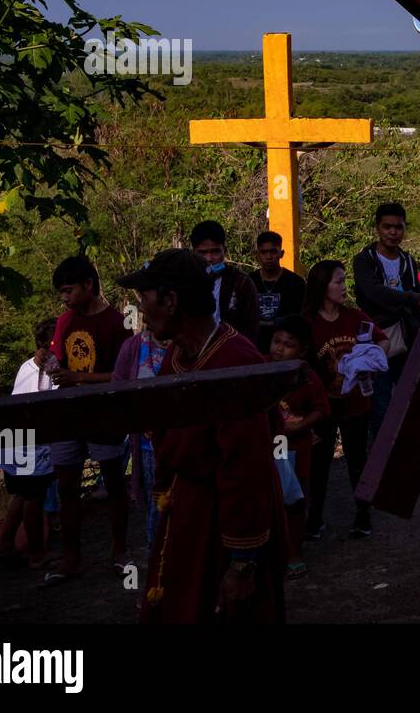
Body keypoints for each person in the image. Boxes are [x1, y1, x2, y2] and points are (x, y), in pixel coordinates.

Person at [116, 249, 286, 623]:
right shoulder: (177, 354)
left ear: (172, 301)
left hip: (226, 521)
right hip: (186, 511)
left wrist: (242, 565)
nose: (141, 310)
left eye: (145, 300)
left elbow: (248, 471)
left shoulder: (235, 362)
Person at [45, 255, 132, 586]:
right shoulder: (64, 322)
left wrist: (79, 379)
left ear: (89, 285)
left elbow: (123, 376)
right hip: (67, 415)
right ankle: (71, 559)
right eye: (62, 293)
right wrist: (49, 364)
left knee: (112, 484)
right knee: (66, 487)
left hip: (104, 414)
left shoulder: (118, 323)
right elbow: (58, 363)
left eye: (69, 290)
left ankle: (121, 552)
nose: (65, 298)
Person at [305, 260, 387, 539]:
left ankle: (363, 515)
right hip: (321, 409)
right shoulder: (307, 323)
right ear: (321, 286)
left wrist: (370, 358)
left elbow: (383, 340)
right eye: (338, 281)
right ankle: (314, 518)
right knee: (318, 464)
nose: (344, 287)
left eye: (344, 281)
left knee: (357, 460)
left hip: (355, 405)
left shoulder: (355, 317)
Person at [352, 203, 420, 443]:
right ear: (377, 229)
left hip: (406, 338)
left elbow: (413, 299)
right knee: (380, 402)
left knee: (408, 400)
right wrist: (411, 299)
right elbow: (373, 293)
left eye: (398, 227)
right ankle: (381, 460)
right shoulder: (364, 260)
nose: (393, 232)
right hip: (376, 340)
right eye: (387, 227)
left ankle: (410, 454)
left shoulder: (408, 260)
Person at [0, 320, 58, 569]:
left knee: (22, 494)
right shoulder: (50, 372)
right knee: (34, 497)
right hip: (29, 445)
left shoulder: (27, 366)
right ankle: (37, 553)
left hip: (14, 442)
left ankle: (4, 545)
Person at [267, 315, 330, 577]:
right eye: (276, 341)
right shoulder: (261, 366)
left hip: (296, 448)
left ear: (302, 350)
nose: (279, 348)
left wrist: (300, 425)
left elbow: (322, 409)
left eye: (288, 344)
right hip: (268, 448)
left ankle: (294, 553)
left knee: (295, 501)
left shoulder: (306, 376)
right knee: (269, 501)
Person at [110, 324, 168, 553]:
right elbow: (117, 391)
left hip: (184, 446)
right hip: (148, 448)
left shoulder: (190, 344)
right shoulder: (134, 347)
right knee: (157, 515)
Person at [190, 220, 260, 342]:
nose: (209, 259)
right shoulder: (185, 282)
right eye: (202, 253)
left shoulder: (241, 283)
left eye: (215, 252)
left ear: (224, 251)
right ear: (193, 253)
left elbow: (251, 326)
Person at [251, 231, 306, 353]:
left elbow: (299, 320)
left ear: (281, 253)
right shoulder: (248, 282)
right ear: (257, 255)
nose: (269, 257)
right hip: (255, 347)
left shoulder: (296, 283)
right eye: (264, 252)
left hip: (285, 349)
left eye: (273, 251)